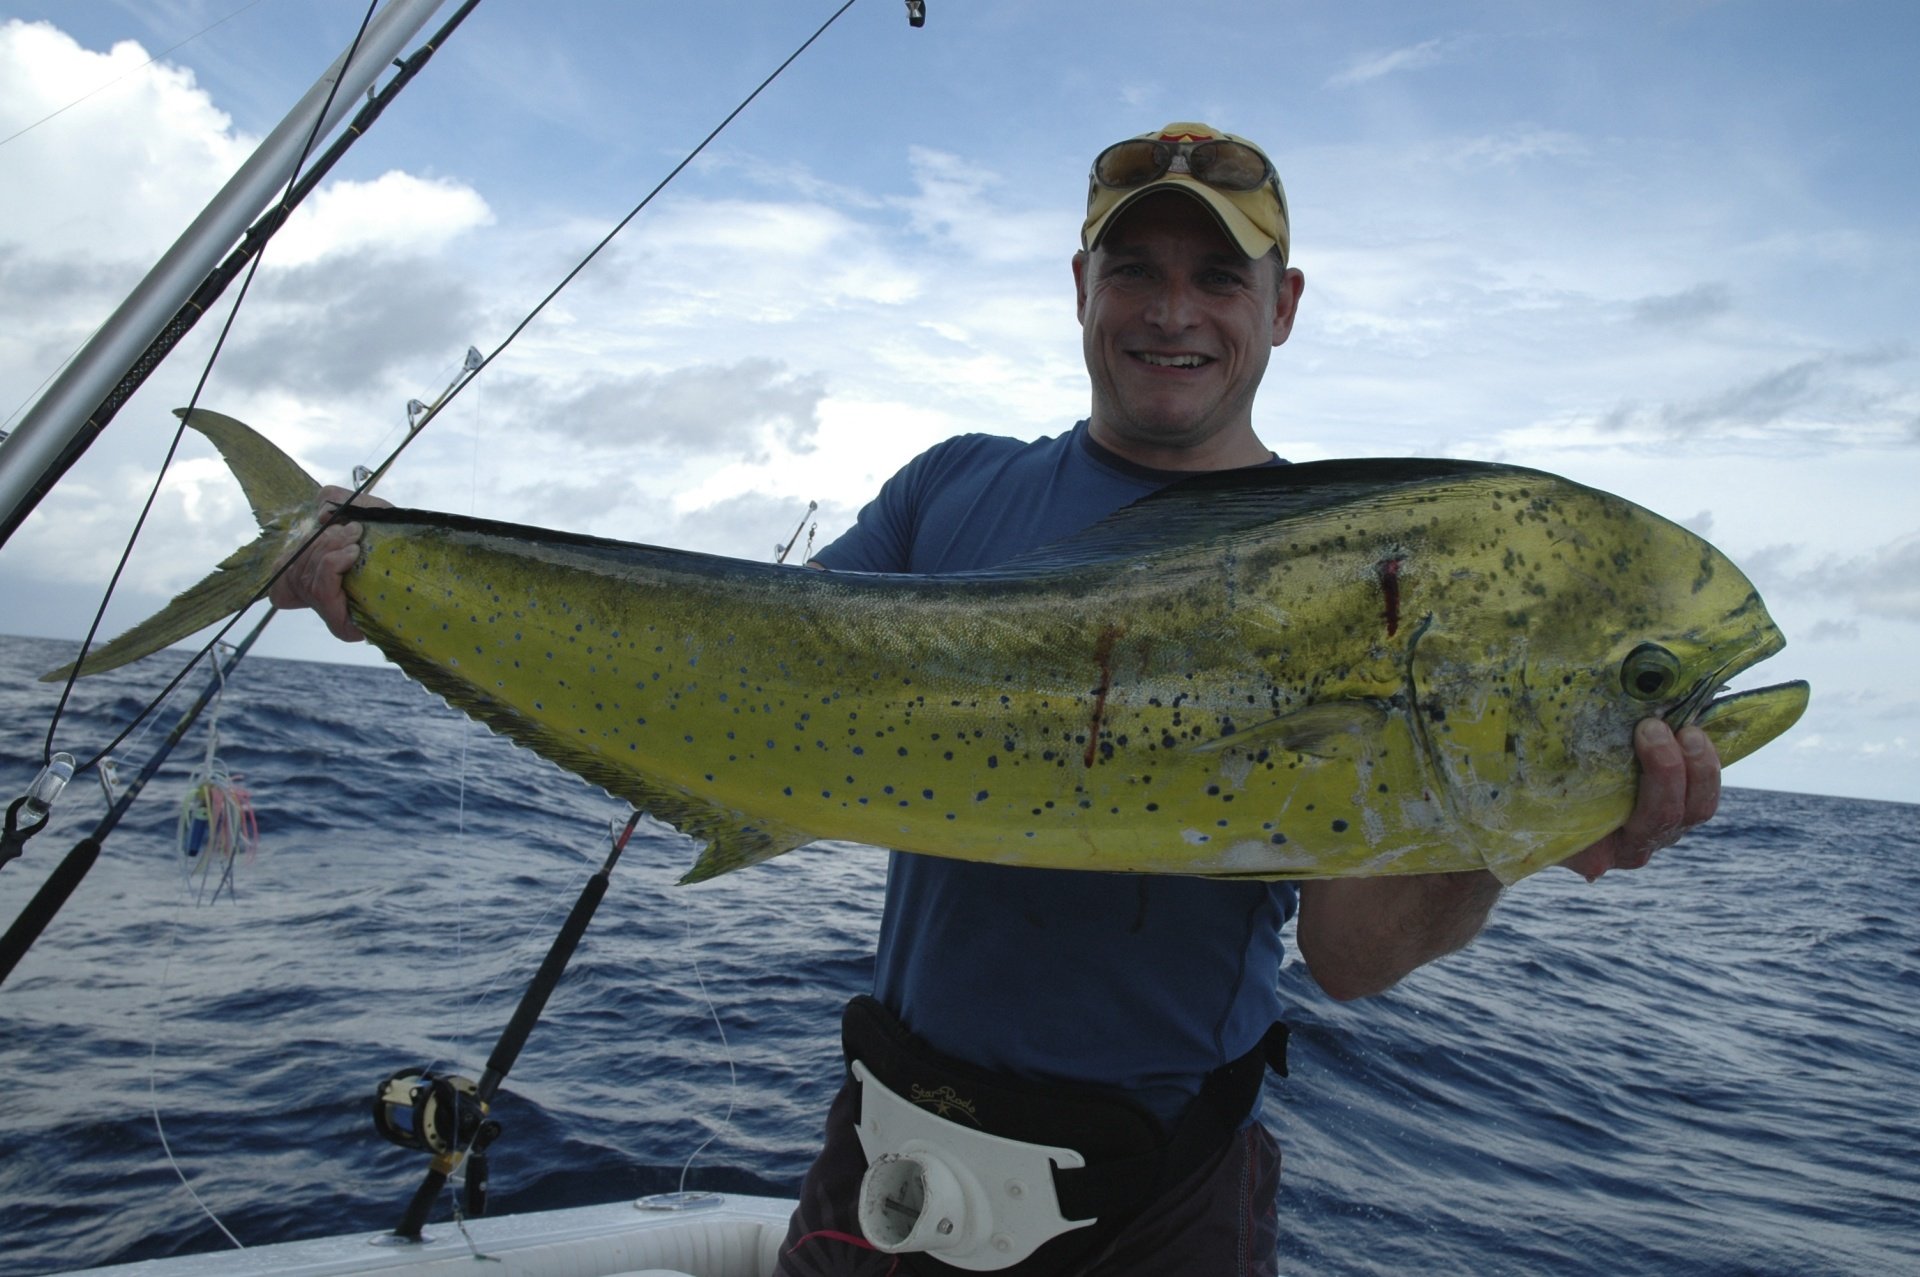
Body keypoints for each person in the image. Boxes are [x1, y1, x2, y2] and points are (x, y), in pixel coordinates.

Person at [273, 122, 1721, 1276]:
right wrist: (409, 586)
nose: (1173, 313)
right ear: (1078, 289)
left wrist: (1520, 825)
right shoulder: (949, 490)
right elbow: (734, 679)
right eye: (1134, 270)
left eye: (1217, 278)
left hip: (1156, 1200)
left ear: (1281, 306)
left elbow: (1344, 956)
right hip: (884, 1147)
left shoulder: (1362, 572)